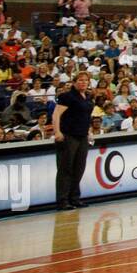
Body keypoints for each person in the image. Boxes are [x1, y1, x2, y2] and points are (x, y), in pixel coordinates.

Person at [52, 72, 94, 210]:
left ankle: (74, 198)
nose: (83, 82)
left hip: (82, 136)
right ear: (75, 82)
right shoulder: (67, 96)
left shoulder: (88, 97)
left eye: (85, 80)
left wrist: (89, 132)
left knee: (79, 168)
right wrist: (57, 132)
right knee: (66, 169)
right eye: (80, 80)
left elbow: (86, 117)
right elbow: (56, 114)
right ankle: (62, 200)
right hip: (69, 135)